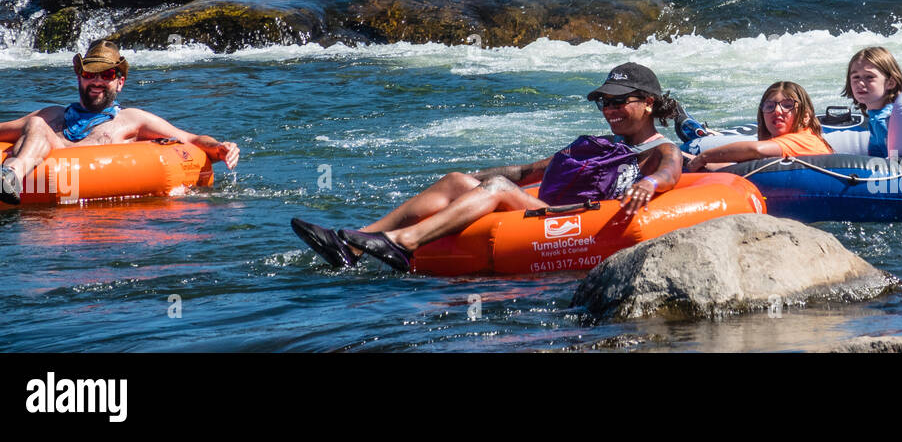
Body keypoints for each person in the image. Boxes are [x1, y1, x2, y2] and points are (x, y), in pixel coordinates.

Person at [290, 63, 685, 270]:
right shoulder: (600, 146)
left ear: (647, 102)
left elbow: (671, 170)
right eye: (605, 103)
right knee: (463, 180)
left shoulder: (656, 149)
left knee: (496, 189)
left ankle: (404, 243)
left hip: (579, 219)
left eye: (619, 101)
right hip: (542, 209)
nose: (610, 110)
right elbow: (529, 171)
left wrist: (653, 184)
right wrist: (465, 182)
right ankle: (353, 244)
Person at [0, 41, 239, 206]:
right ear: (80, 78)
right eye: (90, 74)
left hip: (86, 214)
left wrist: (220, 148)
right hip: (38, 220)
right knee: (35, 124)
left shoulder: (131, 119)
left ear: (119, 82)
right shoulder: (52, 115)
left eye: (108, 74)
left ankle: (10, 177)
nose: (97, 81)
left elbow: (191, 141)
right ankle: (9, 177)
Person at [684, 82, 831, 171]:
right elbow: (734, 170)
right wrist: (689, 160)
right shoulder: (789, 146)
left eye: (787, 106)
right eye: (770, 106)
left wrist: (703, 157)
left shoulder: (804, 138)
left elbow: (756, 149)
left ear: (805, 116)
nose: (777, 111)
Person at [844, 46, 902, 157]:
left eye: (869, 77)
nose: (860, 83)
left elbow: (896, 163)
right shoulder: (877, 115)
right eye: (856, 77)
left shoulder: (885, 120)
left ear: (891, 83)